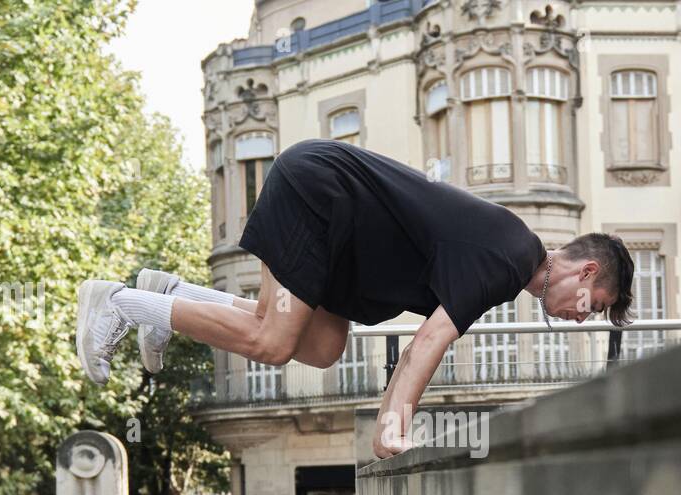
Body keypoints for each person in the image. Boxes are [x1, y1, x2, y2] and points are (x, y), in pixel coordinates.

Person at [76, 138, 635, 458]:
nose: (582, 315)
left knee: (320, 346)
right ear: (583, 270)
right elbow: (426, 345)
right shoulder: (509, 257)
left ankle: (165, 294)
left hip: (341, 241)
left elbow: (419, 348)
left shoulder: (510, 256)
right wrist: (393, 425)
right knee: (273, 341)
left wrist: (389, 420)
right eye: (593, 301)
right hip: (321, 198)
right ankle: (118, 301)